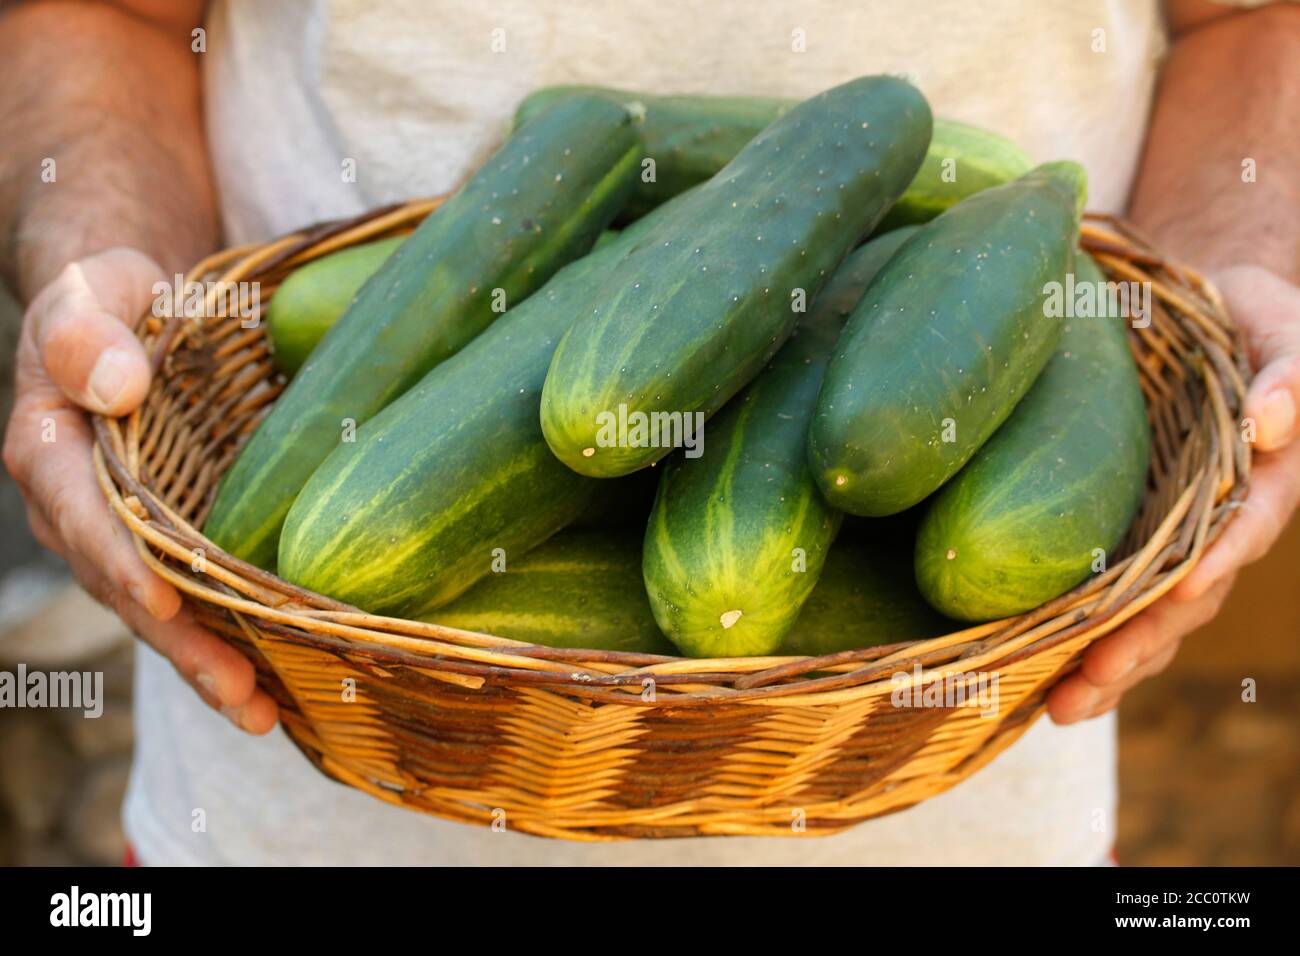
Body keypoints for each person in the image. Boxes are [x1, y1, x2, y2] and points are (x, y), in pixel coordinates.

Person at [1, 0, 1296, 866]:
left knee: (842, 454)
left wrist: (1238, 268)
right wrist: (108, 265)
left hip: (974, 758)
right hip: (293, 764)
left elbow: (1249, 15)